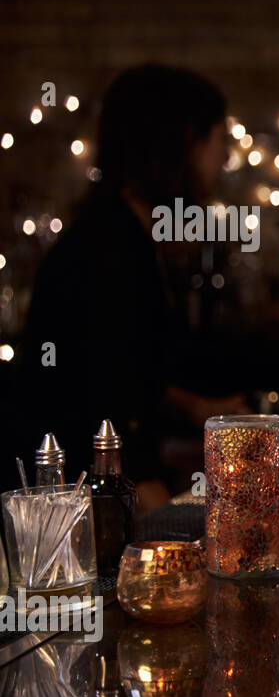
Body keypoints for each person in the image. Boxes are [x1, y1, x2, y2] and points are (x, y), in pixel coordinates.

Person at [18, 65, 250, 511]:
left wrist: (196, 407)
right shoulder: (108, 252)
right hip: (75, 511)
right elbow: (97, 398)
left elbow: (124, 369)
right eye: (220, 139)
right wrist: (161, 512)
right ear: (182, 143)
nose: (225, 157)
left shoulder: (123, 234)